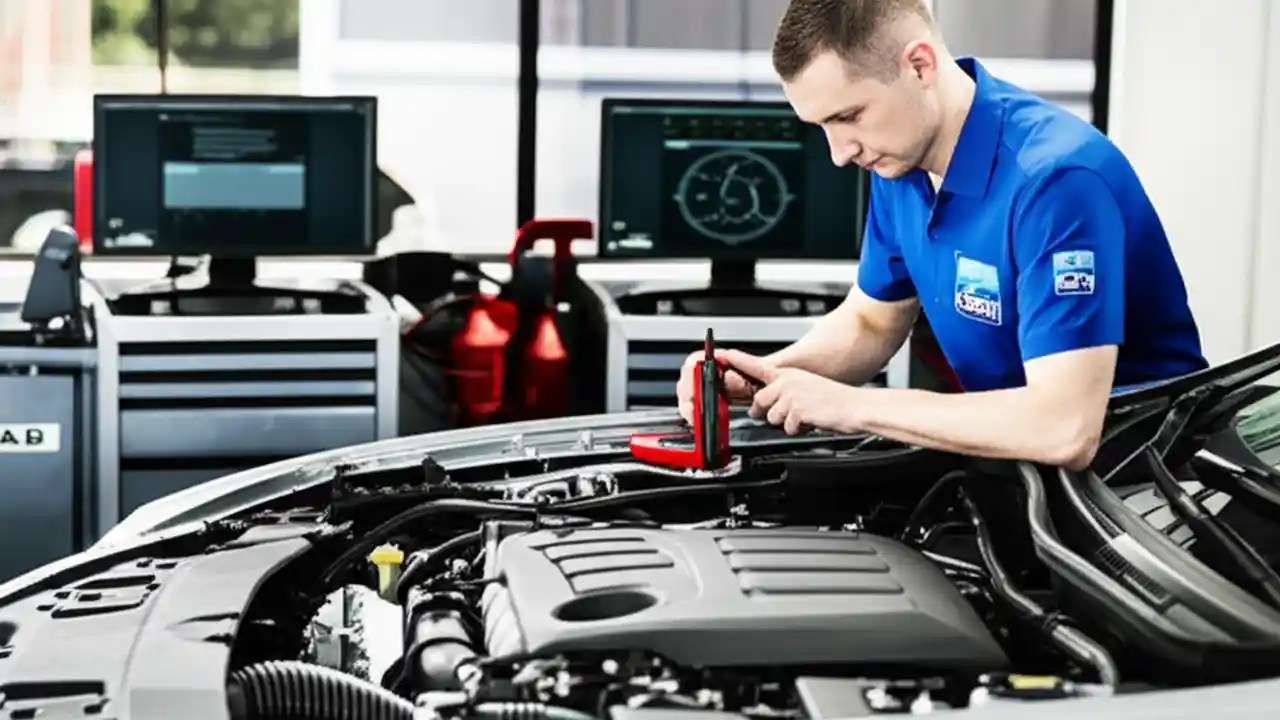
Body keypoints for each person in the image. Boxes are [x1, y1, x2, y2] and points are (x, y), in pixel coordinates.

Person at [675, 0, 1207, 471]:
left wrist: (850, 406)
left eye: (850, 116)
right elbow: (872, 321)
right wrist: (767, 376)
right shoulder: (898, 164)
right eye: (823, 128)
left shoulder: (1056, 181)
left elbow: (1063, 428)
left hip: (1142, 483)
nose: (839, 153)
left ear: (919, 65)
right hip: (1016, 464)